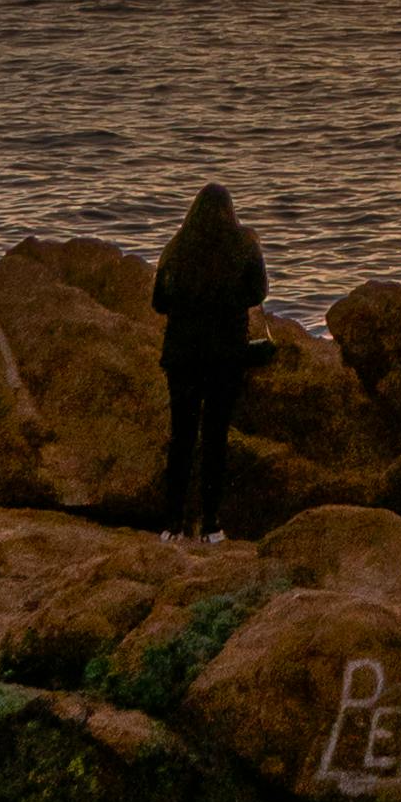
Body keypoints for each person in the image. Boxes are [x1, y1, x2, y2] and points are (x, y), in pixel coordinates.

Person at [150, 183, 268, 538]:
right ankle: (211, 526)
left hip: (183, 356)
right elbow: (258, 292)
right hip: (225, 357)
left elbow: (159, 302)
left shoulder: (177, 246)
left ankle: (173, 525)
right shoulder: (244, 243)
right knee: (215, 439)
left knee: (182, 438)